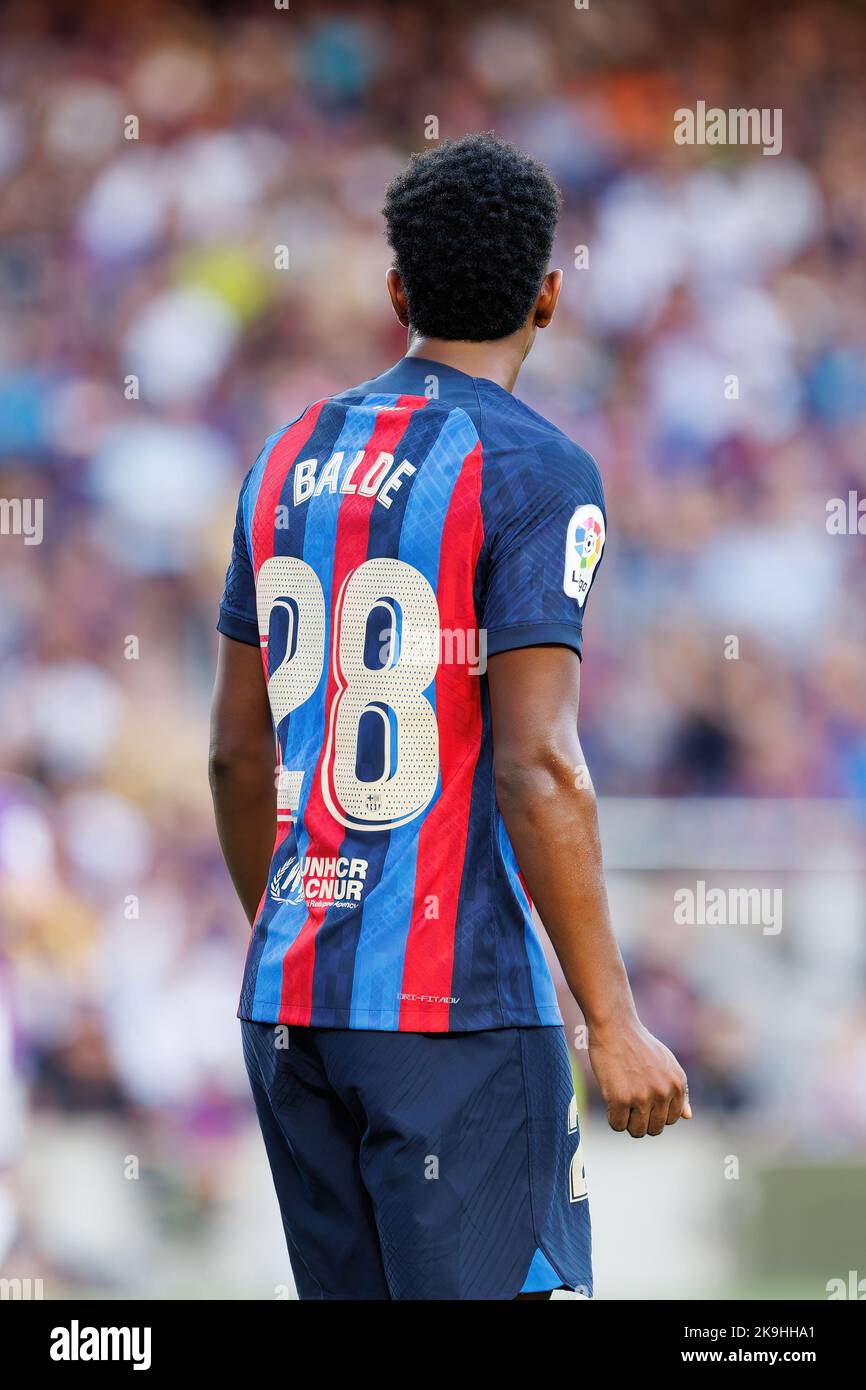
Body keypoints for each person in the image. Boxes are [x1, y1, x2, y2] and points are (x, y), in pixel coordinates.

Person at [209, 133, 690, 1302]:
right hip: (455, 1015)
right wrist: (611, 1018)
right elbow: (537, 764)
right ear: (548, 296)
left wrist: (301, 944)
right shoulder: (535, 468)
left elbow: (233, 755)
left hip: (294, 1007)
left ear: (395, 292)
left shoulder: (281, 458)